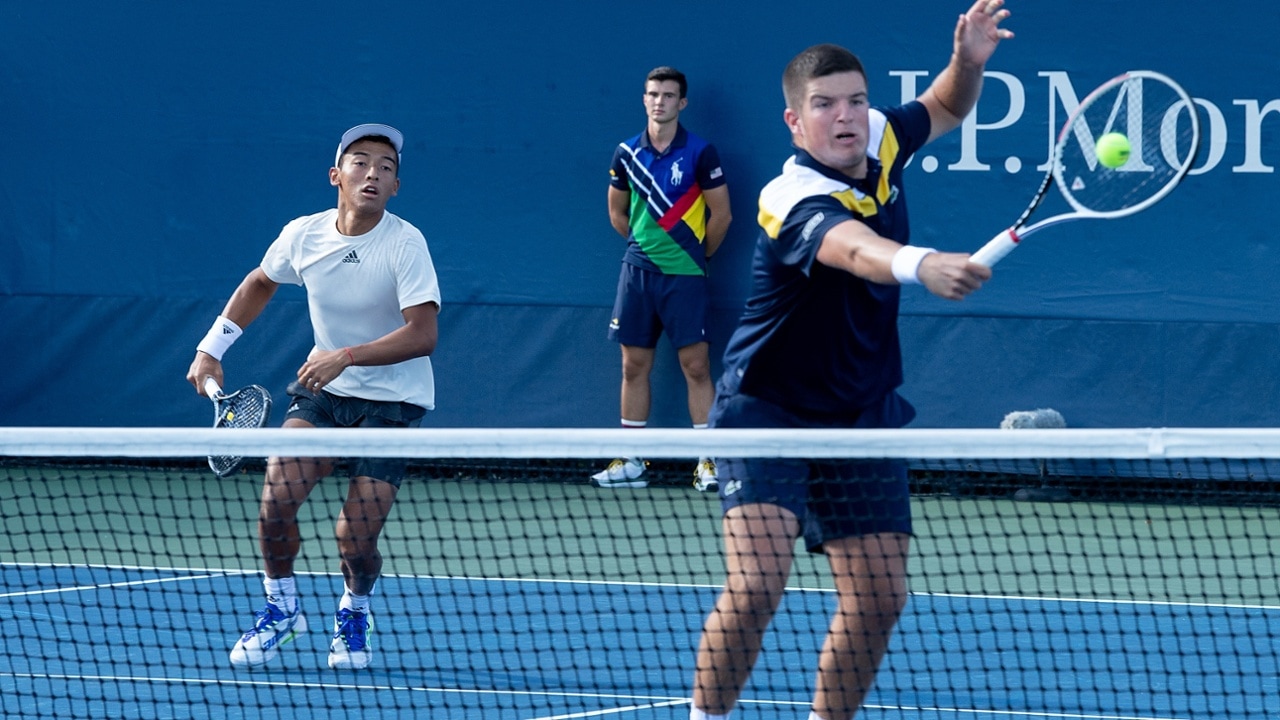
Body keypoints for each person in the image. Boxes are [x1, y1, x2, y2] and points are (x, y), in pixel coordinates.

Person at [689, 3, 1011, 719]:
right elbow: (852, 249)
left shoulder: (882, 140)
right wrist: (920, 263)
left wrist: (967, 62)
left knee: (880, 597)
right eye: (825, 104)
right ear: (794, 122)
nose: (846, 117)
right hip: (767, 409)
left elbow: (944, 107)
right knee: (757, 585)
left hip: (861, 409)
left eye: (857, 101)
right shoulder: (789, 196)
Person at [186, 123, 441, 671]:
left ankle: (355, 607)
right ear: (336, 176)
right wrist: (211, 349)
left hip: (394, 403)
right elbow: (260, 282)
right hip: (324, 393)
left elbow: (423, 335)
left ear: (396, 187)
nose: (373, 173)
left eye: (386, 168)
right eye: (360, 162)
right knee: (276, 502)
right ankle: (282, 609)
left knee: (355, 538)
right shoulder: (304, 234)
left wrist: (344, 355)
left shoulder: (405, 243)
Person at [594, 66, 733, 492]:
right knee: (633, 365)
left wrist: (694, 255)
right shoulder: (626, 153)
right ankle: (632, 460)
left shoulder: (701, 153)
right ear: (644, 99)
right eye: (653, 94)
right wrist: (646, 249)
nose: (660, 101)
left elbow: (722, 216)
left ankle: (708, 462)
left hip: (685, 277)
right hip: (637, 275)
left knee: (696, 367)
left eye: (668, 95)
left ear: (682, 103)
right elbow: (617, 213)